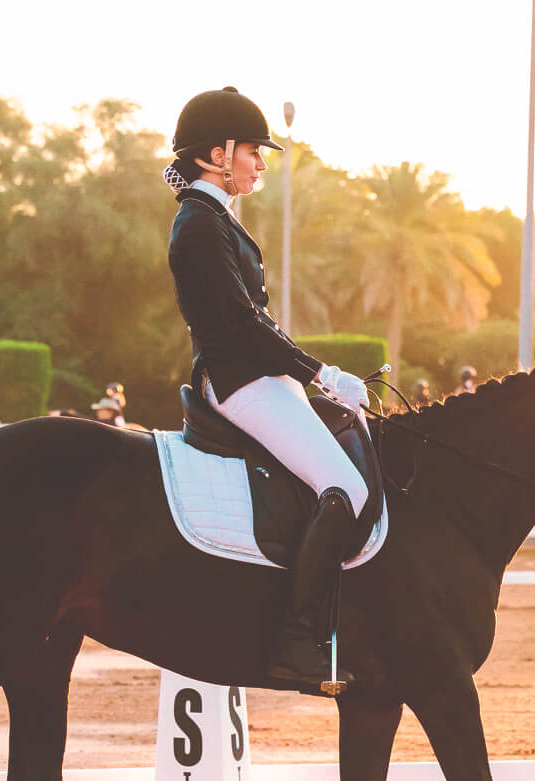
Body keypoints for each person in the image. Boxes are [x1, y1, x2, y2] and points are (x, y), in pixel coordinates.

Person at [164, 86, 369, 692]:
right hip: (238, 380)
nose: (260, 161)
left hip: (256, 374)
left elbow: (258, 321)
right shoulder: (200, 225)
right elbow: (241, 323)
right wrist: (322, 374)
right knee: (344, 486)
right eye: (253, 150)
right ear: (217, 154)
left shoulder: (216, 220)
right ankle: (299, 640)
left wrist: (309, 373)